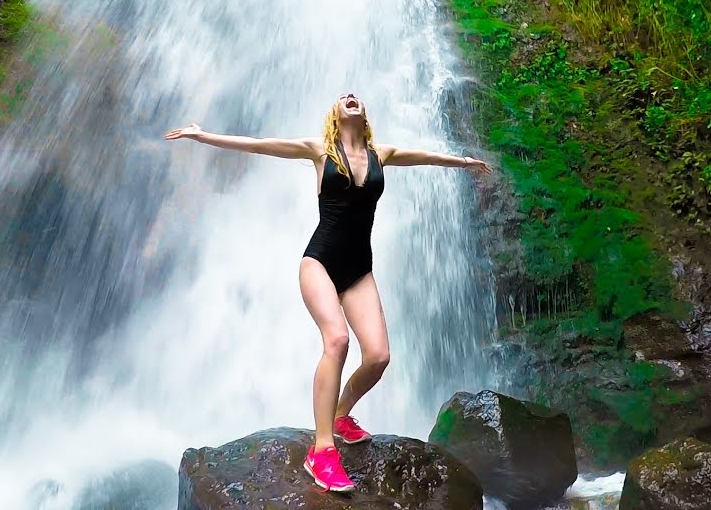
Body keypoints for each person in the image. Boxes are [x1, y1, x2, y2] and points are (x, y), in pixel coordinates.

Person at [164, 92, 490, 492]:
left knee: (378, 356)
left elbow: (422, 156)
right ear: (335, 114)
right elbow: (259, 145)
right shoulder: (320, 150)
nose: (351, 97)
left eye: (357, 97)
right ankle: (321, 451)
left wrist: (463, 162)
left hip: (358, 271)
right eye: (343, 97)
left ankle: (339, 414)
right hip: (319, 262)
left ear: (365, 114)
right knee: (336, 339)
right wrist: (203, 136)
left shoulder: (379, 153)